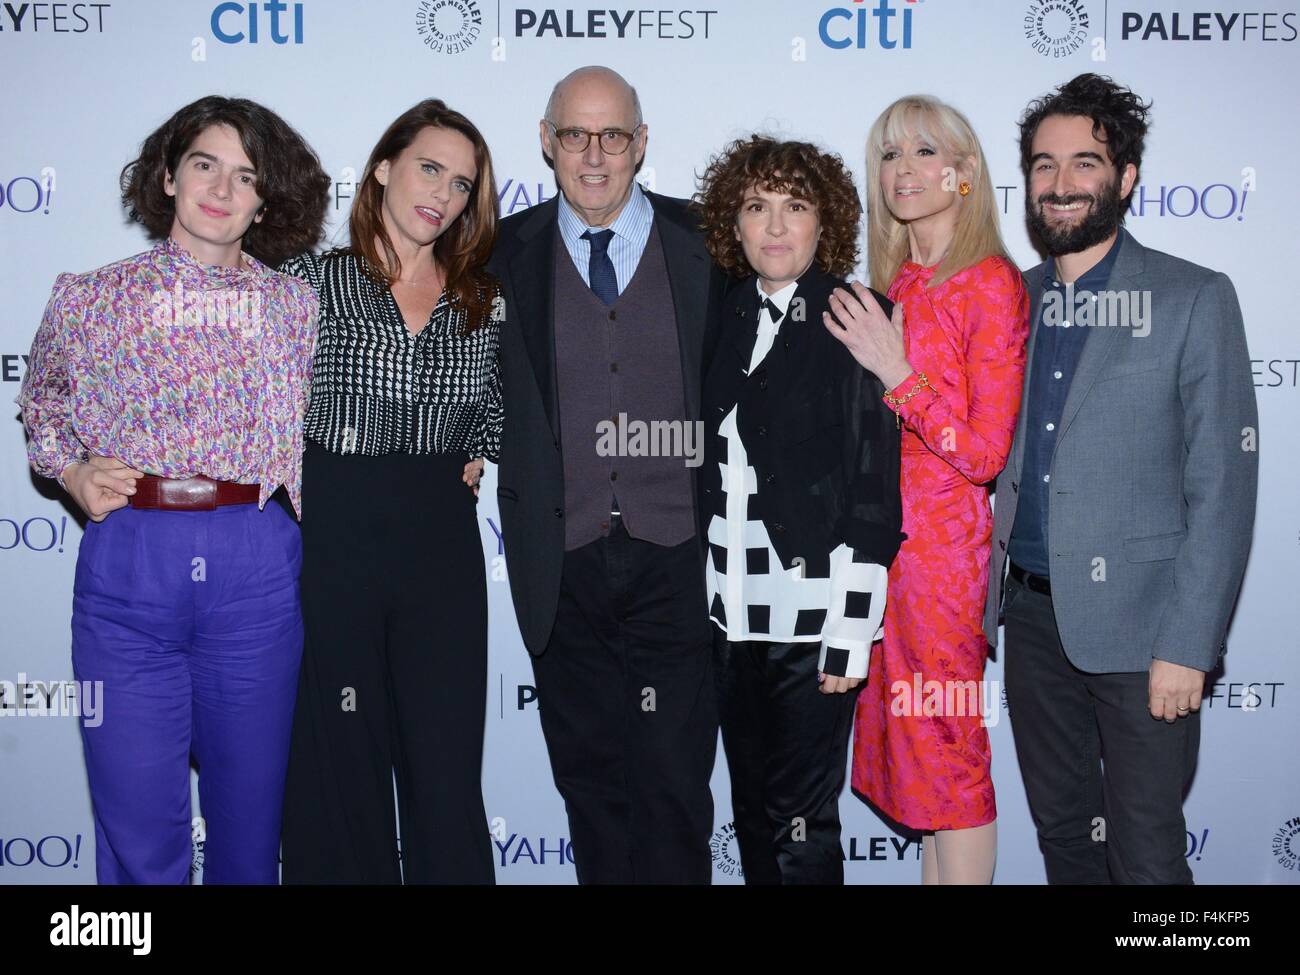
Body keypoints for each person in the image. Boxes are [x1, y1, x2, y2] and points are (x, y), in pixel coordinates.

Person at [15, 95, 328, 884]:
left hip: (254, 560)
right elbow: (42, 401)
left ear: (266, 202)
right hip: (131, 561)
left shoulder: (296, 306)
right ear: (167, 176)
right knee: (135, 827)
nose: (222, 188)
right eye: (204, 165)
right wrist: (73, 468)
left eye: (246, 175)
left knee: (250, 827)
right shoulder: (90, 296)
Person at [983, 73, 1258, 884]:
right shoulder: (1015, 301)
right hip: (1030, 621)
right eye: (1042, 165)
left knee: (1145, 856)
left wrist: (1188, 644)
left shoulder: (1192, 298)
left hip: (1146, 637)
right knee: (1066, 838)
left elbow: (1223, 488)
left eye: (1084, 163)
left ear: (1126, 177)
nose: (1061, 184)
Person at [487, 65, 725, 883]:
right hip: (564, 562)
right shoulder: (497, 254)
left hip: (680, 558)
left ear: (641, 143)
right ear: (546, 143)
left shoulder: (710, 243)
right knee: (589, 788)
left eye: (613, 135)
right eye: (576, 135)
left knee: (675, 789)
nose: (595, 155)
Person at [277, 99, 503, 884]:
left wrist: (479, 446)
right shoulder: (307, 282)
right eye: (429, 168)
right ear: (382, 167)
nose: (443, 193)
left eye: (463, 184)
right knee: (340, 764)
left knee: (444, 769)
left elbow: (501, 404)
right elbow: (258, 400)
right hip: (332, 525)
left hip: (439, 536)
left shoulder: (483, 297)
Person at [827, 95, 1029, 884]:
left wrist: (896, 371)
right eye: (888, 154)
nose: (903, 170)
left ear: (965, 172)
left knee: (951, 753)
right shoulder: (902, 280)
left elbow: (982, 453)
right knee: (918, 765)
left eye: (922, 152)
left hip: (944, 561)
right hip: (887, 549)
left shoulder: (988, 284)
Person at [694, 136, 903, 884]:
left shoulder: (856, 314)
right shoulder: (723, 316)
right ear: (735, 223)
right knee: (751, 812)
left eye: (795, 206)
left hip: (812, 619)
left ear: (826, 223)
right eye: (757, 207)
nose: (775, 226)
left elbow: (875, 485)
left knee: (800, 824)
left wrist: (851, 629)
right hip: (727, 618)